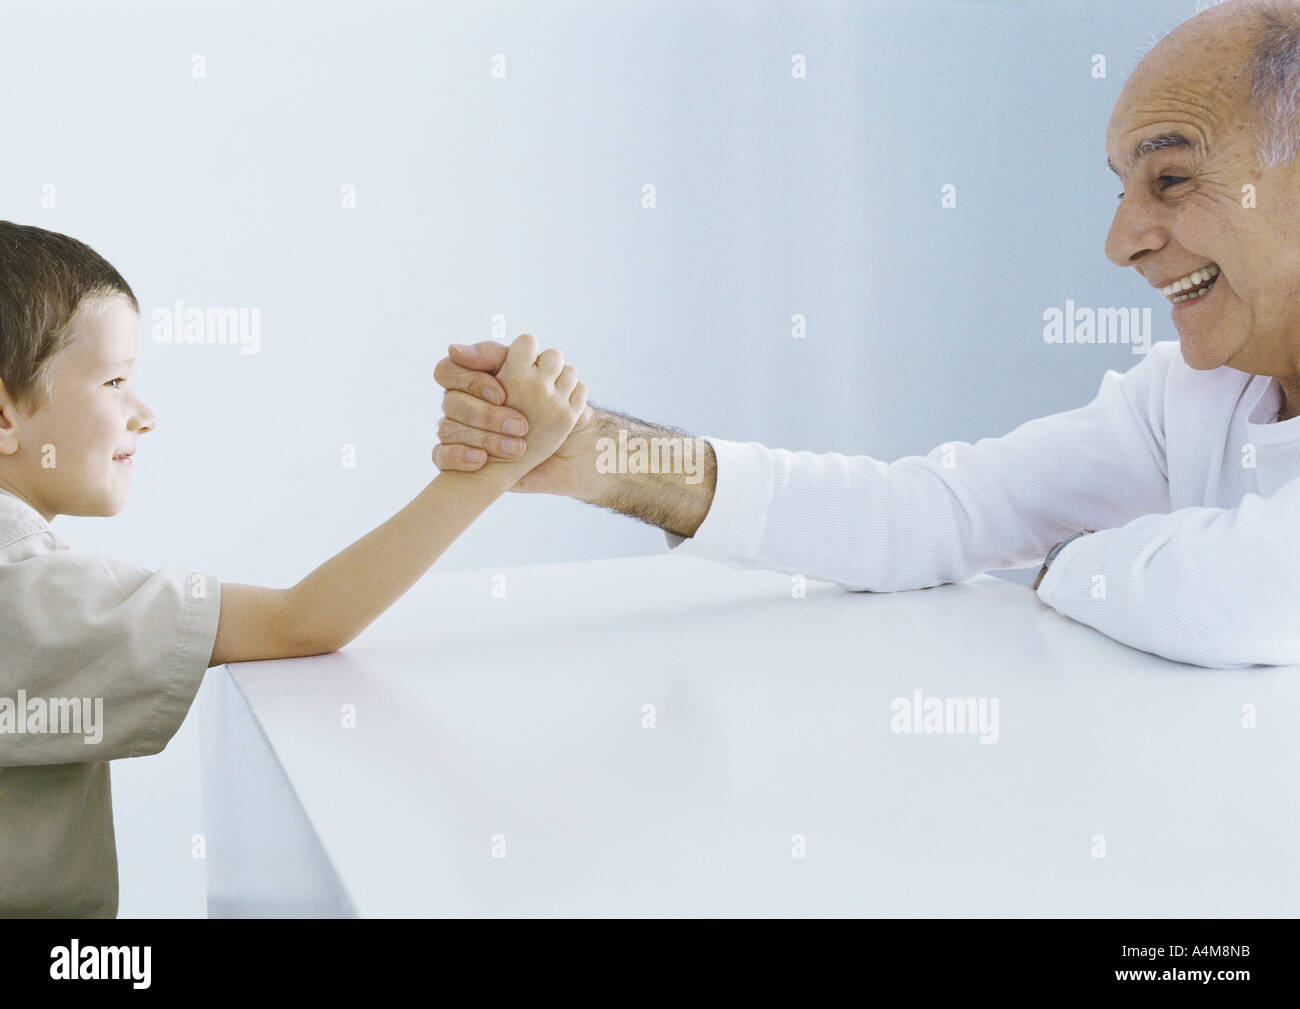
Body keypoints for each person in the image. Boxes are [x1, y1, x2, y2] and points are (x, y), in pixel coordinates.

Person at [430, 0, 1300, 670]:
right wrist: (610, 458)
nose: (1121, 241)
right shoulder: (1191, 395)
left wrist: (1070, 561)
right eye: (1122, 189)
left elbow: (1245, 597)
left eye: (1173, 177)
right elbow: (930, 513)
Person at [0, 221, 586, 917]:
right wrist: (497, 467)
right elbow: (302, 621)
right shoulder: (32, 591)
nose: (144, 414)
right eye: (116, 380)